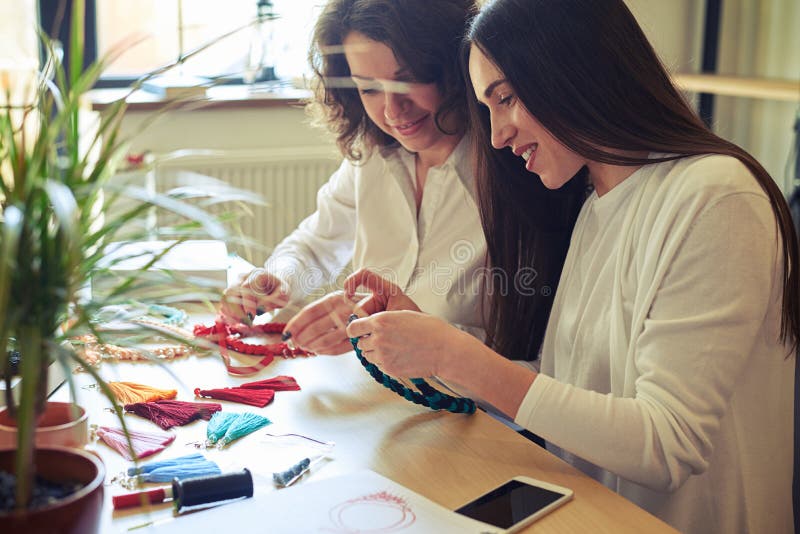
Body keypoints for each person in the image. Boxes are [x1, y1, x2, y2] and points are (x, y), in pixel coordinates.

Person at [344, 1, 799, 532]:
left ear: (572, 68)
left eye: (506, 99)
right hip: (587, 515)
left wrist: (461, 357)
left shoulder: (715, 195)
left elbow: (666, 444)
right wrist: (432, 345)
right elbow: (566, 394)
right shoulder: (596, 201)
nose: (495, 136)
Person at [220, 0, 487, 354]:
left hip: (468, 400)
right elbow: (317, 244)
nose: (392, 111)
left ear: (454, 66)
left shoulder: (509, 170)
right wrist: (279, 278)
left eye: (406, 81)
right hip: (374, 382)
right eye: (369, 89)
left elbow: (525, 347)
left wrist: (389, 327)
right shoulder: (374, 154)